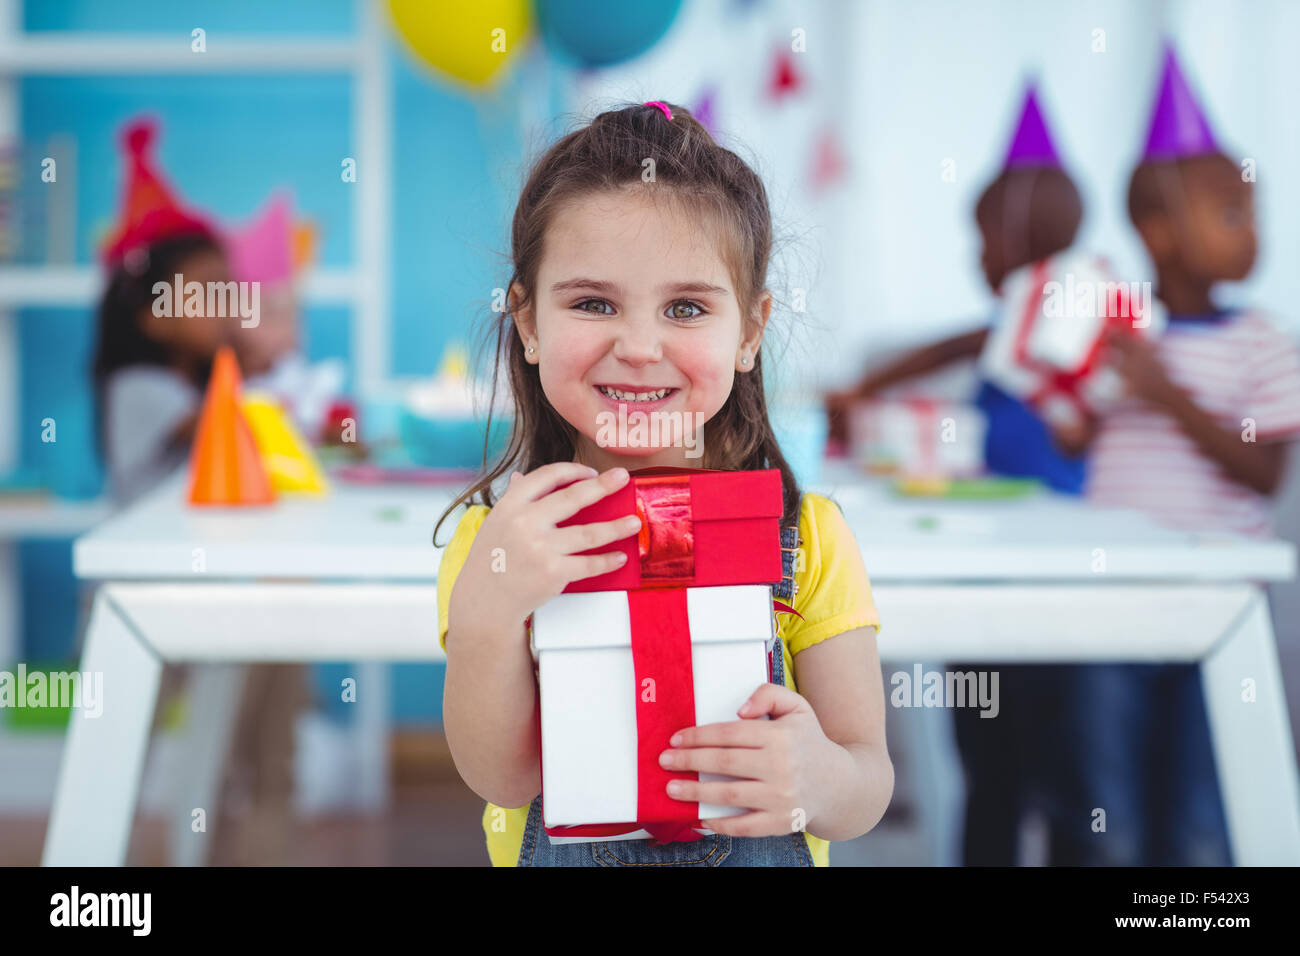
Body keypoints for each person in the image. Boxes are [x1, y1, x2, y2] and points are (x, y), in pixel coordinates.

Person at [432, 100, 893, 866]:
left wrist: (820, 777)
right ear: (530, 323)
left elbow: (866, 779)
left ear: (748, 331)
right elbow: (506, 779)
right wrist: (488, 617)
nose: (640, 347)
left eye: (685, 308)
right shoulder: (501, 540)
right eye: (592, 303)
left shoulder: (805, 537)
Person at [1050, 45, 1300, 865]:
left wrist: (1168, 396)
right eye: (1230, 213)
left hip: (1217, 601)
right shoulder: (1121, 331)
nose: (1252, 233)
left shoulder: (1263, 343)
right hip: (1109, 593)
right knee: (1105, 809)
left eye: (1252, 213)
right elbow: (1079, 439)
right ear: (1157, 231)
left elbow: (1265, 472)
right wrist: (1076, 391)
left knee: (1197, 817)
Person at [91, 117, 304, 865]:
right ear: (153, 316)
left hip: (208, 586)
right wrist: (252, 363)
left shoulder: (204, 380)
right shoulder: (141, 390)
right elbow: (219, 432)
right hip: (140, 596)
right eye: (211, 295)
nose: (227, 309)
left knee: (264, 702)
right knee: (131, 745)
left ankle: (256, 831)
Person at [826, 84, 1087, 497]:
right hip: (997, 493)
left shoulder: (1059, 323)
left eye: (987, 242)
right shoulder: (1019, 322)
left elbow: (953, 349)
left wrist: (863, 389)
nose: (978, 259)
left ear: (1023, 242)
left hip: (1046, 499)